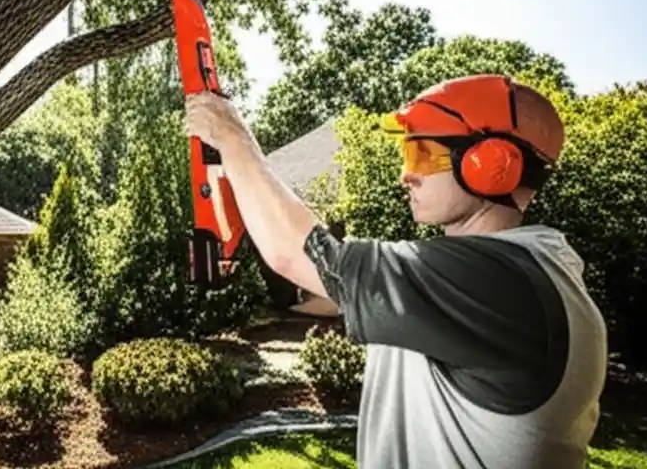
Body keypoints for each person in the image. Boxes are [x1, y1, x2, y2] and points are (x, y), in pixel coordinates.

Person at [186, 73, 608, 468]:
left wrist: (231, 134)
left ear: (492, 162)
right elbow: (328, 288)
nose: (407, 174)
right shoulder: (528, 271)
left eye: (423, 153)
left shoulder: (498, 283)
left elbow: (300, 256)